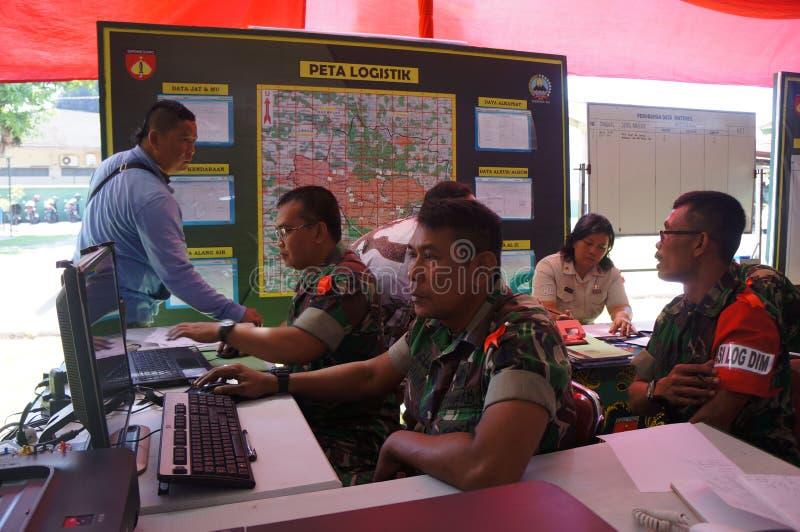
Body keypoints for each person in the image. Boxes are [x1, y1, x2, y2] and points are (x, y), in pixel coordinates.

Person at [190, 198, 576, 490]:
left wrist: (397, 443)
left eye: (430, 258)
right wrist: (278, 383)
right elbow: (372, 374)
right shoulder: (437, 321)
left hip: (490, 507)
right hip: (431, 481)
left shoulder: (521, 333)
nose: (413, 273)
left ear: (481, 266)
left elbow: (487, 469)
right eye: (412, 257)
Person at [169, 185, 399, 485]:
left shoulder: (346, 280)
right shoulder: (318, 271)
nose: (279, 242)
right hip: (312, 407)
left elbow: (298, 346)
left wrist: (224, 329)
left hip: (349, 429)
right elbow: (294, 330)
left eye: (286, 231)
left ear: (318, 231)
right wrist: (243, 343)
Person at [628, 191, 800, 466]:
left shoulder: (748, 315)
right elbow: (635, 394)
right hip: (693, 462)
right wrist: (658, 389)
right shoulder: (672, 313)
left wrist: (657, 461)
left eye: (667, 233)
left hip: (752, 473)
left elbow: (715, 421)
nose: (658, 245)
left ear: (700, 243)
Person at [75, 100, 261, 327]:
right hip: (123, 318)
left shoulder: (109, 165)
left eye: (194, 142)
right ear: (154, 139)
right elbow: (177, 275)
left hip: (86, 309)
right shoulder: (154, 198)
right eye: (183, 141)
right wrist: (236, 313)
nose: (192, 151)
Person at [351, 180, 474, 346]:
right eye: (475, 215)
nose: (480, 222)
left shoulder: (406, 225)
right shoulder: (437, 242)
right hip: (375, 338)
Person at [532, 213, 633, 335]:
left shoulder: (610, 273)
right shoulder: (549, 266)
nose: (593, 251)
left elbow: (621, 306)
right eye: (588, 243)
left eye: (601, 247)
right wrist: (559, 318)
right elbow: (545, 308)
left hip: (588, 334)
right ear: (574, 241)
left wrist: (623, 317)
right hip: (552, 332)